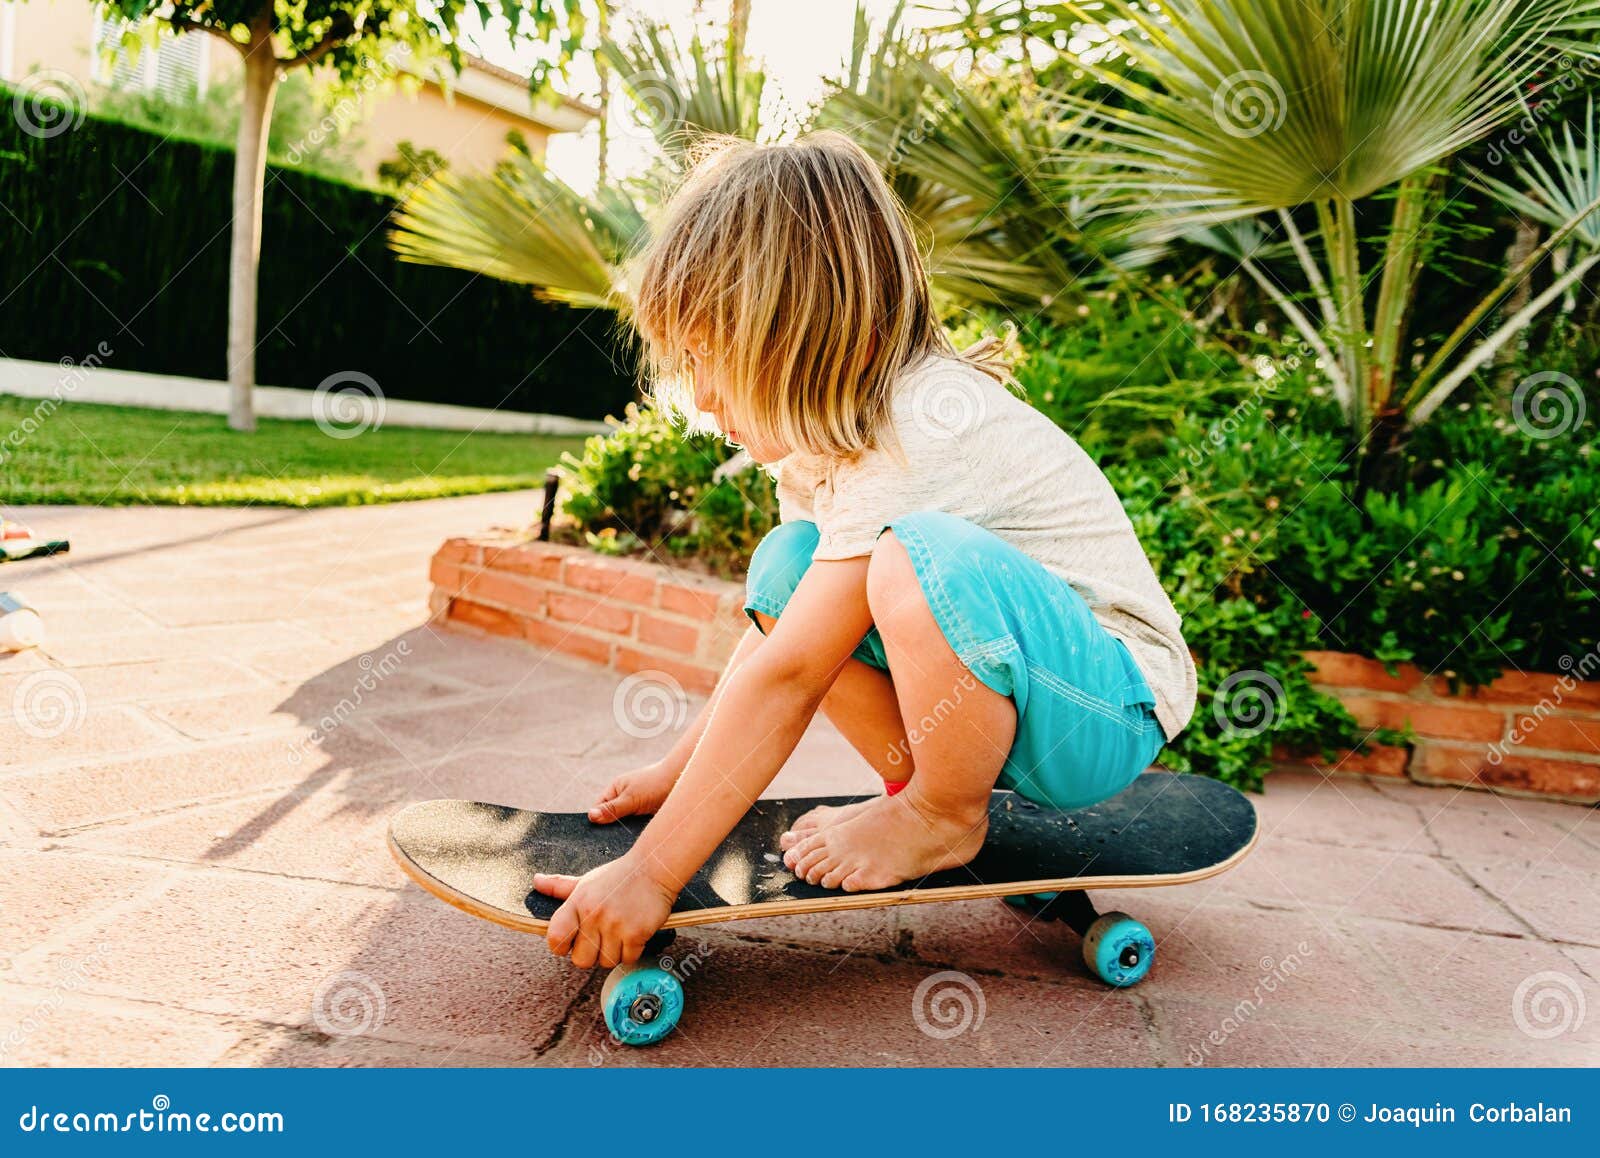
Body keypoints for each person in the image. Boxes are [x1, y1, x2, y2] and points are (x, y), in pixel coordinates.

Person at [532, 131, 1195, 970]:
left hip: (1105, 708)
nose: (699, 396)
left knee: (916, 558)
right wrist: (675, 769)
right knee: (787, 567)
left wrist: (652, 872)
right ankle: (919, 799)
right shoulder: (823, 447)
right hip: (1017, 704)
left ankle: (941, 814)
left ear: (794, 335)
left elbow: (793, 680)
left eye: (710, 358)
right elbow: (782, 642)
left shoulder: (917, 430)